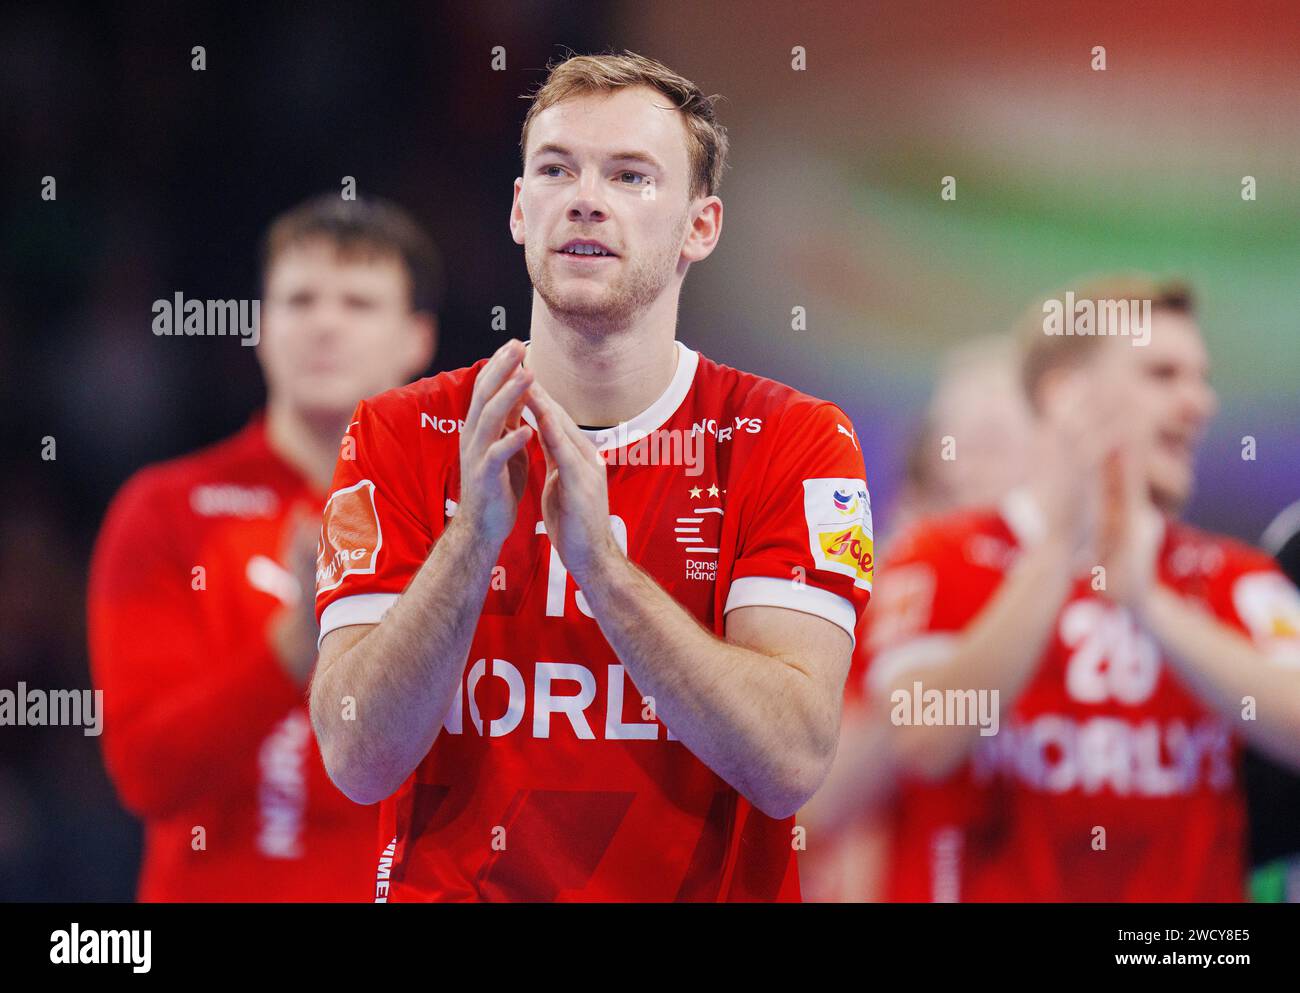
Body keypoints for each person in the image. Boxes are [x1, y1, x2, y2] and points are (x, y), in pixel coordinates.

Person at [309, 51, 874, 902]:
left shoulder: (793, 439)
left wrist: (604, 574)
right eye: (556, 168)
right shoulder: (399, 432)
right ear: (518, 209)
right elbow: (358, 757)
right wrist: (469, 544)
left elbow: (790, 760)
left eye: (632, 176)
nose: (585, 197)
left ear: (701, 227)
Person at [862, 275, 1300, 901]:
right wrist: (1059, 550)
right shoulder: (942, 556)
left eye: (1201, 378)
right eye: (1162, 375)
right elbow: (924, 739)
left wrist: (1149, 604)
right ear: (1067, 395)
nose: (1199, 403)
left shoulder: (1232, 574)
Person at [88, 195, 440, 901]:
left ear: (417, 337)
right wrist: (294, 645)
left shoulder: (463, 520)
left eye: (359, 302)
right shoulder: (163, 511)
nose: (325, 323)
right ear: (259, 328)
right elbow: (144, 770)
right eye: (299, 298)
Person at [800, 336, 1031, 901]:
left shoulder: (1101, 588)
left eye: (994, 443)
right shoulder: (894, 596)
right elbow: (813, 811)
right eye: (954, 449)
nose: (968, 471)